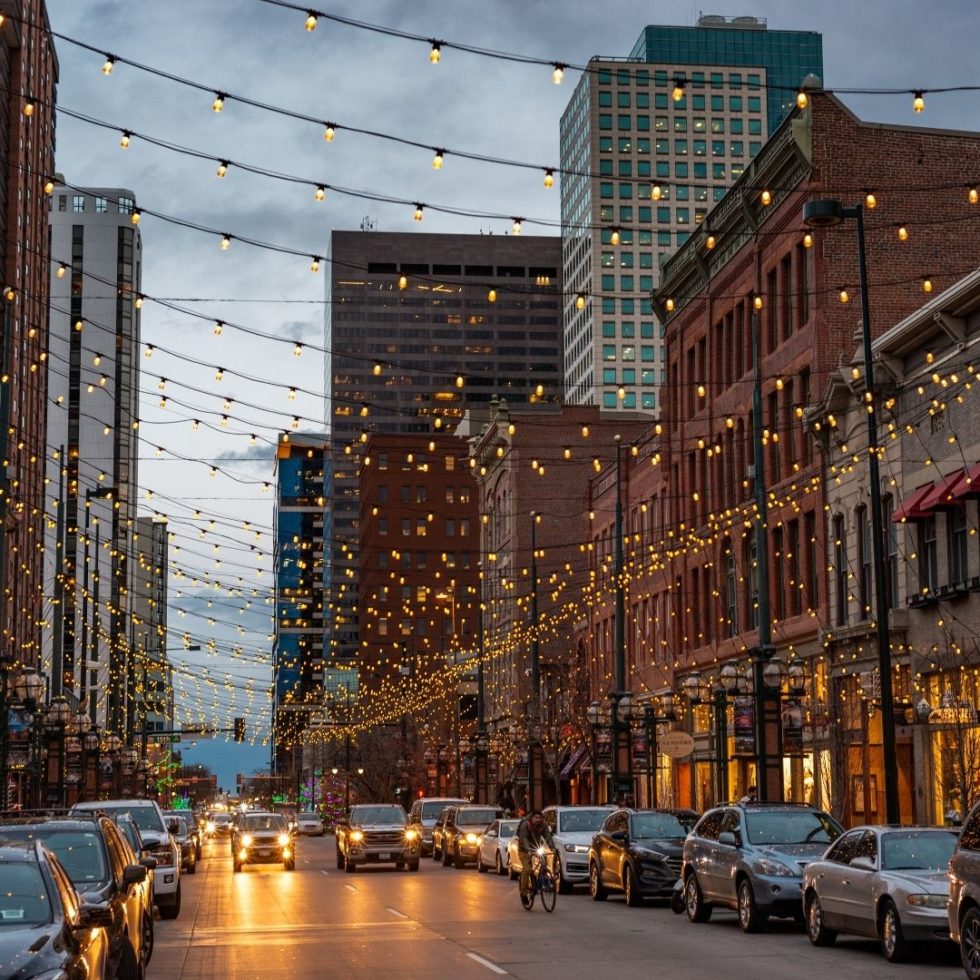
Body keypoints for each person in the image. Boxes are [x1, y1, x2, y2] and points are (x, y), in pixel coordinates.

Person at [516, 809, 555, 899]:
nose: (538, 819)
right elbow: (524, 839)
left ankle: (541, 880)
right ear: (532, 818)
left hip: (536, 848)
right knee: (527, 870)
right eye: (536, 817)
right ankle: (524, 894)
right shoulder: (525, 825)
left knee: (544, 861)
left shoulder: (543, 825)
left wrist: (553, 849)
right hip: (524, 849)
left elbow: (548, 837)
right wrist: (528, 850)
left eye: (540, 818)